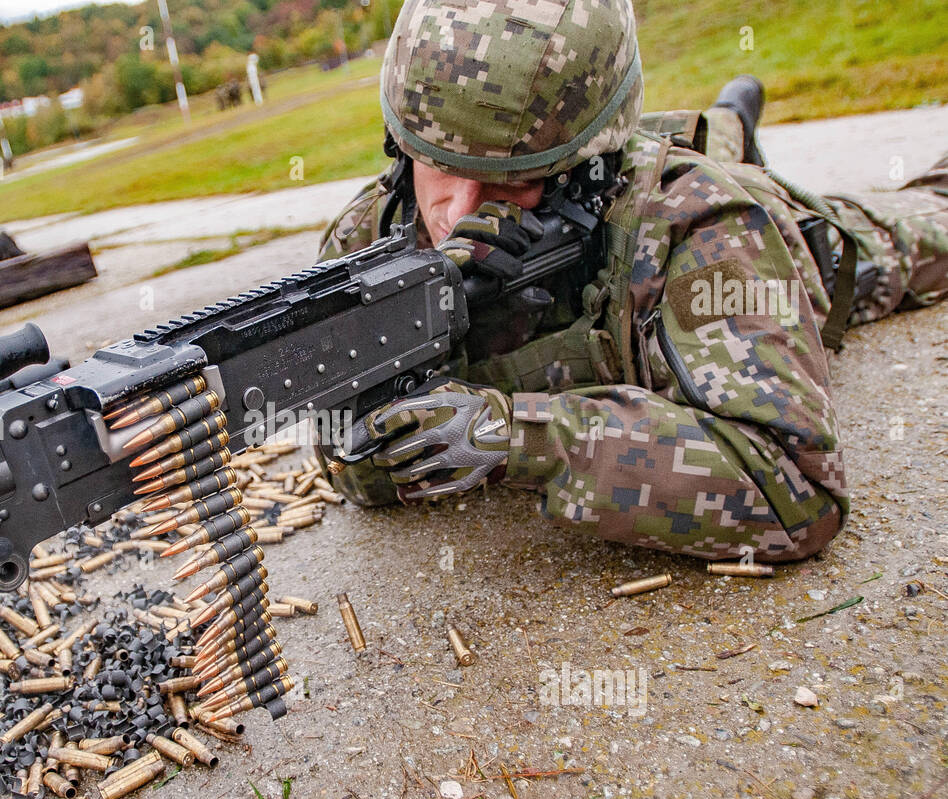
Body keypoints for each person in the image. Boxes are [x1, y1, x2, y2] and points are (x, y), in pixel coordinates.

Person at [316, 0, 948, 564]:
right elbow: (341, 457)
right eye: (440, 166)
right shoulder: (369, 240)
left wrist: (520, 435)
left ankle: (729, 135)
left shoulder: (701, 224)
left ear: (585, 169)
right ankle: (728, 122)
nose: (457, 212)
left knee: (911, 231)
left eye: (511, 180)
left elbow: (797, 491)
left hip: (788, 243)